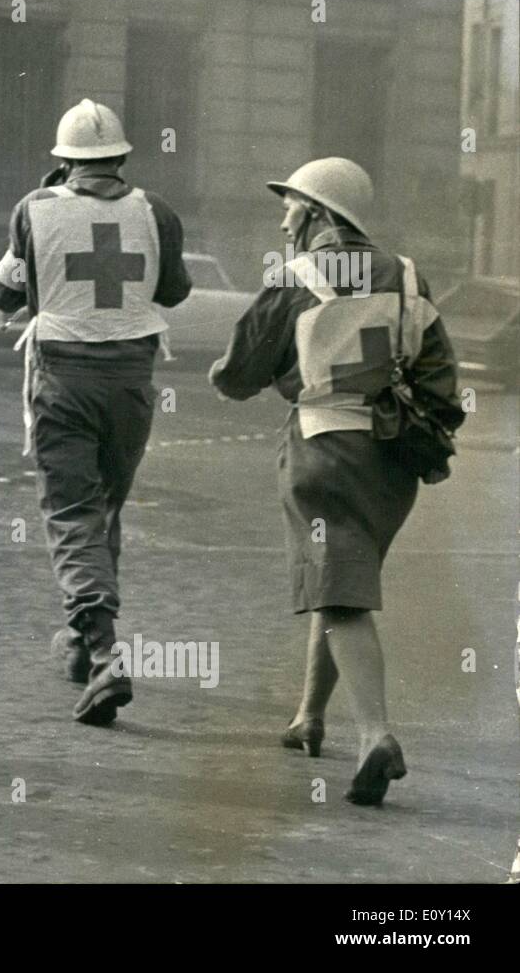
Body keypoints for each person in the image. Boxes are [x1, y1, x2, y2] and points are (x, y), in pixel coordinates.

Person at [209, 157, 462, 806]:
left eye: (291, 205)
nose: (284, 216)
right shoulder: (408, 276)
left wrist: (241, 374)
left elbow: (239, 373)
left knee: (341, 593)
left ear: (320, 214)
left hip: (323, 454)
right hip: (392, 470)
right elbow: (442, 386)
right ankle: (308, 716)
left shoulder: (294, 278)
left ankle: (376, 734)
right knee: (338, 577)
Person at [0, 99, 191, 726]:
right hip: (131, 381)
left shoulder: (34, 209)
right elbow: (174, 291)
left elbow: (2, 291)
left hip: (63, 379)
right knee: (105, 508)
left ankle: (104, 654)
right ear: (122, 158)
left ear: (64, 161)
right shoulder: (155, 210)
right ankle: (81, 644)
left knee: (74, 513)